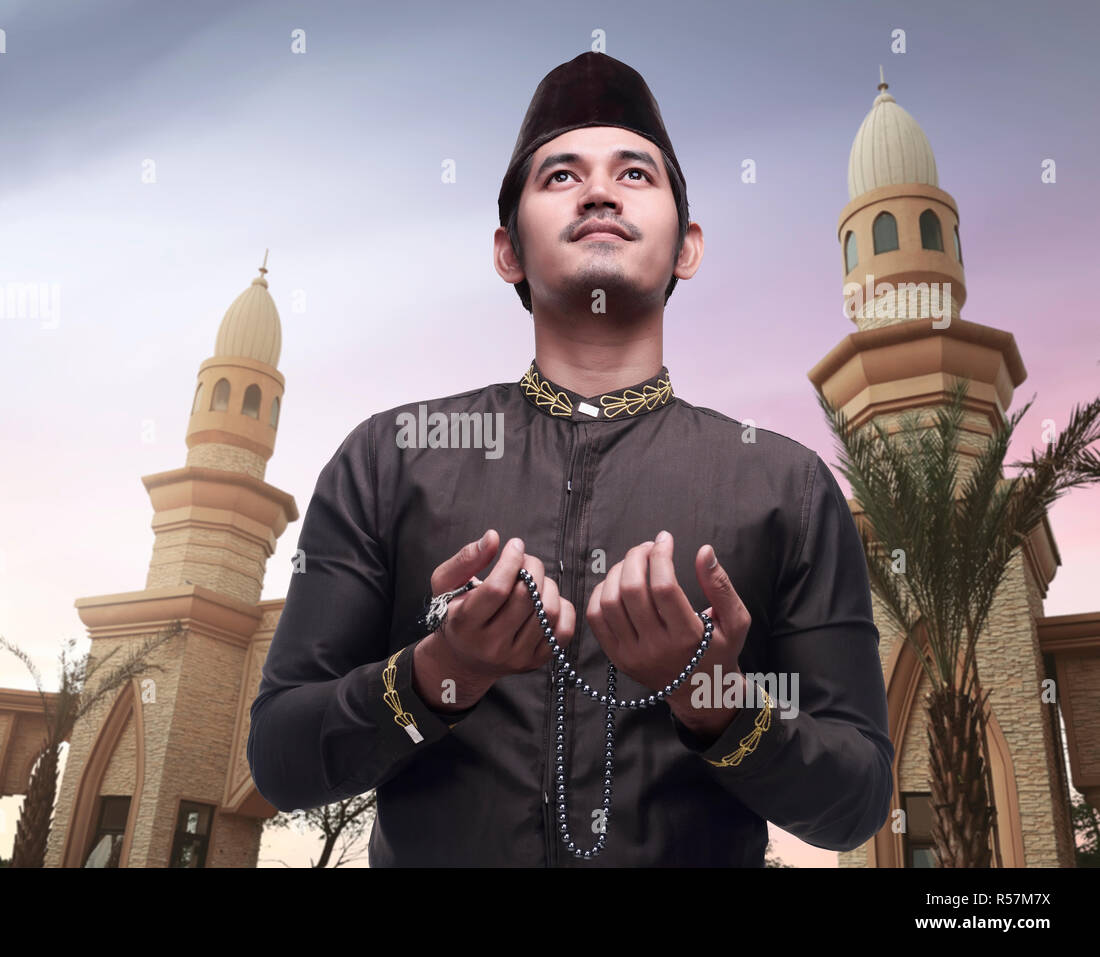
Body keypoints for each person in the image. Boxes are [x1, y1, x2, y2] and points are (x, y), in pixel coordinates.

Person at [246, 50, 893, 866]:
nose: (598, 191)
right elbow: (279, 756)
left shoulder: (787, 487)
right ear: (507, 250)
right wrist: (441, 672)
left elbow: (859, 800)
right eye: (560, 176)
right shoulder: (390, 460)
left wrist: (713, 698)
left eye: (634, 172)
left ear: (687, 246)